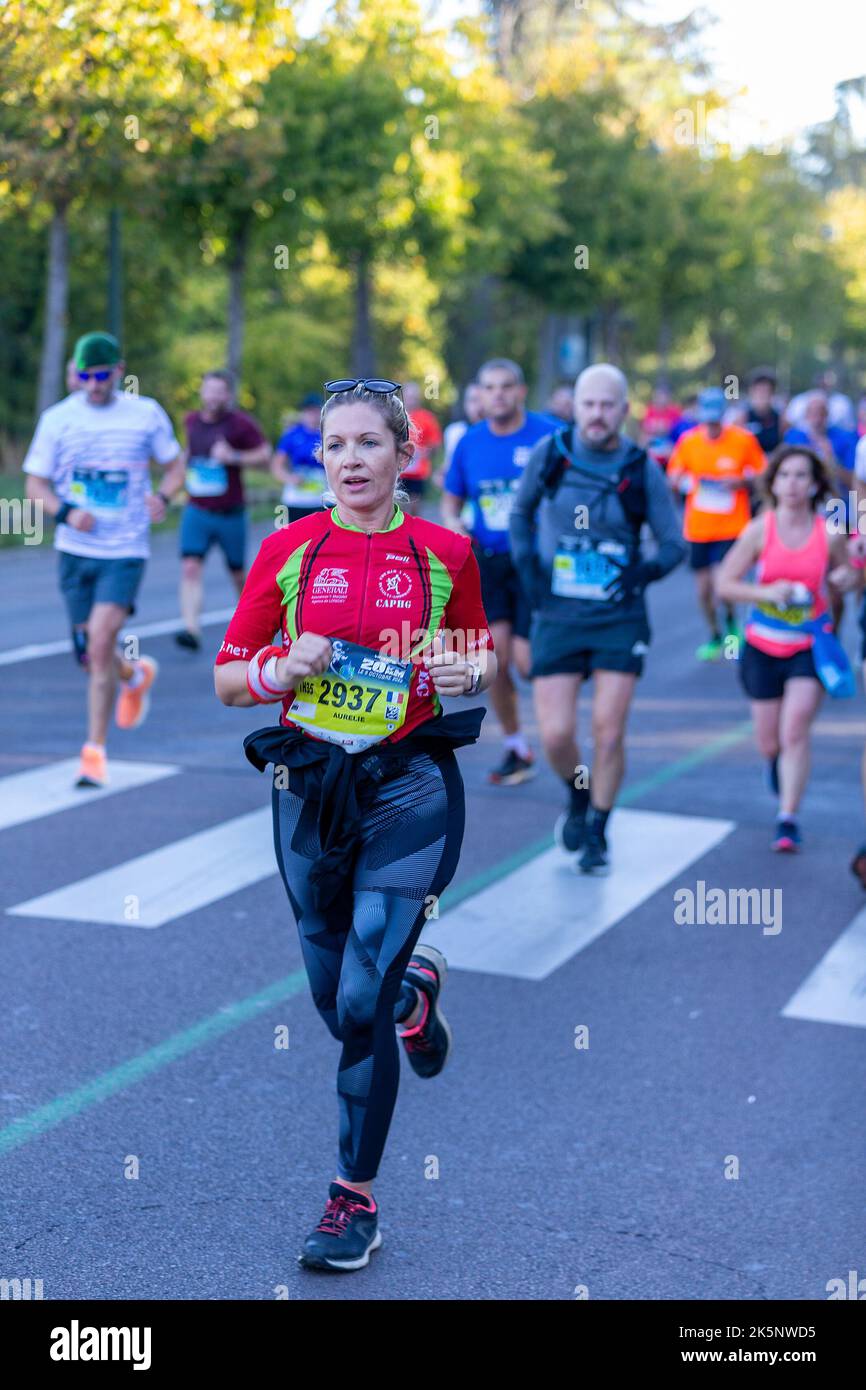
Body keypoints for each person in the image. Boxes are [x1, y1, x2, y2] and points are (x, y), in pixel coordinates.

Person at [214, 378, 497, 1273]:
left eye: (367, 444)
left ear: (404, 456)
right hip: (310, 783)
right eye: (334, 446)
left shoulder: (446, 550)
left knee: (360, 1003)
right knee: (338, 999)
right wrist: (276, 669)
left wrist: (461, 669)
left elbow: (479, 651)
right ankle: (416, 997)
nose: (348, 462)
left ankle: (353, 1201)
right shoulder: (289, 549)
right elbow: (227, 674)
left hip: (410, 782)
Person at [510, 362, 685, 873]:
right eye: (589, 404)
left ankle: (599, 830)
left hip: (619, 615)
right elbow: (519, 513)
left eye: (608, 405)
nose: (597, 414)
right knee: (557, 734)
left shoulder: (640, 466)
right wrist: (528, 568)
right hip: (558, 611)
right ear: (575, 406)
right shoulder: (553, 455)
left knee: (609, 732)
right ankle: (578, 795)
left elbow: (675, 542)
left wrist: (644, 572)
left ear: (624, 410)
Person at [23, 331, 184, 787]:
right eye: (86, 376)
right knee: (87, 652)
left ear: (119, 371)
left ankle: (93, 753)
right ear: (74, 374)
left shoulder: (145, 414)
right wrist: (67, 512)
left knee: (98, 643)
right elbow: (35, 486)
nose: (94, 384)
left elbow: (175, 464)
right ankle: (133, 674)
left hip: (124, 549)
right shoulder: (57, 420)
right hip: (76, 553)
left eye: (102, 375)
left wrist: (165, 497)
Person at [716, 445, 858, 852]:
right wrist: (766, 592)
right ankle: (775, 767)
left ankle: (787, 818)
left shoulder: (828, 533)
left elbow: (844, 576)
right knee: (770, 741)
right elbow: (726, 582)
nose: (793, 484)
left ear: (815, 485)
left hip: (808, 645)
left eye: (801, 476)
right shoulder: (760, 529)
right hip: (761, 646)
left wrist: (848, 578)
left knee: (794, 730)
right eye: (785, 475)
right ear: (772, 482)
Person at [441, 357, 556, 784]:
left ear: (521, 391)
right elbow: (452, 500)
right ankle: (516, 747)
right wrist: (454, 525)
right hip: (488, 563)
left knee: (528, 663)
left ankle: (558, 728)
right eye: (490, 388)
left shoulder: (548, 434)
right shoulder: (469, 443)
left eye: (506, 386)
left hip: (537, 561)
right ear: (480, 395)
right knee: (497, 660)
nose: (499, 395)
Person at [666, 386, 767, 661]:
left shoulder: (743, 440)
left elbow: (764, 475)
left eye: (716, 420)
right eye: (707, 420)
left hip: (732, 527)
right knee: (704, 590)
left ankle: (734, 630)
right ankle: (715, 635)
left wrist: (741, 482)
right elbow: (675, 472)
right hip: (698, 527)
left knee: (726, 586)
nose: (712, 426)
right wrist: (676, 481)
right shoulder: (689, 441)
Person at [175, 370, 271, 651]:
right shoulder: (191, 420)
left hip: (231, 511)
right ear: (202, 392)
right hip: (197, 509)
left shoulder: (240, 424)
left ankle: (252, 627)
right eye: (209, 390)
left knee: (238, 574)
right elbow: (187, 453)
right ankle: (191, 629)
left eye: (220, 391)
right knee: (190, 566)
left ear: (228, 395)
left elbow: (265, 455)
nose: (214, 396)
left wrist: (234, 456)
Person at [270, 392, 325, 524]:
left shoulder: (328, 433)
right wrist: (289, 478)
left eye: (315, 411)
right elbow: (277, 465)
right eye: (308, 411)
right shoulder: (292, 434)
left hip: (322, 499)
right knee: (290, 540)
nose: (312, 415)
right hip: (295, 499)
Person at [399, 382, 443, 514]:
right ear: (403, 397)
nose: (411, 400)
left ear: (419, 398)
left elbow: (436, 444)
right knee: (398, 507)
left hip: (418, 471)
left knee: (414, 508)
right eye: (408, 396)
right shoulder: (396, 416)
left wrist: (425, 453)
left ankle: (413, 533)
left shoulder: (427, 418)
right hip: (398, 469)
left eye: (414, 397)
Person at [733, 367, 782, 454]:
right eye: (759, 391)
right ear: (751, 392)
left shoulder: (781, 420)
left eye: (766, 391)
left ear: (772, 393)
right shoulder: (742, 419)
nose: (762, 395)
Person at [442, 381, 484, 471]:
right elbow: (449, 467)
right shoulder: (455, 432)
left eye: (482, 399)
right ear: (465, 404)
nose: (479, 406)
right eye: (473, 400)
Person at [639, 383, 682, 467]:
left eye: (663, 396)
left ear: (668, 397)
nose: (661, 399)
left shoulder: (674, 411)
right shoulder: (650, 410)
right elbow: (645, 431)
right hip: (653, 448)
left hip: (669, 448)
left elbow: (678, 433)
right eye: (658, 396)